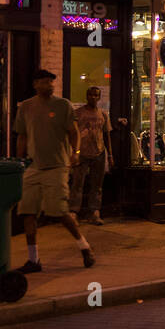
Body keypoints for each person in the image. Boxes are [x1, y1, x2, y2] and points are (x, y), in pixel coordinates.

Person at [14, 70, 94, 272]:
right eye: (44, 82)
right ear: (35, 85)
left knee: (59, 212)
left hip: (57, 166)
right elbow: (21, 136)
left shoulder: (63, 105)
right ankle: (34, 260)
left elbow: (73, 132)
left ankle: (84, 246)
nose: (49, 85)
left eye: (51, 82)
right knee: (27, 212)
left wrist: (75, 153)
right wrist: (19, 160)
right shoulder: (26, 107)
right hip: (32, 166)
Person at [68, 86, 112, 226]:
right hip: (82, 152)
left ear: (99, 97)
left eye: (96, 95)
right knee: (77, 183)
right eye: (91, 95)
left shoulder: (103, 114)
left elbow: (107, 135)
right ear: (87, 96)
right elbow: (72, 133)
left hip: (98, 151)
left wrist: (110, 155)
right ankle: (74, 212)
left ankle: (94, 212)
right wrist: (74, 151)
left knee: (97, 184)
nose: (93, 97)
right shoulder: (78, 113)